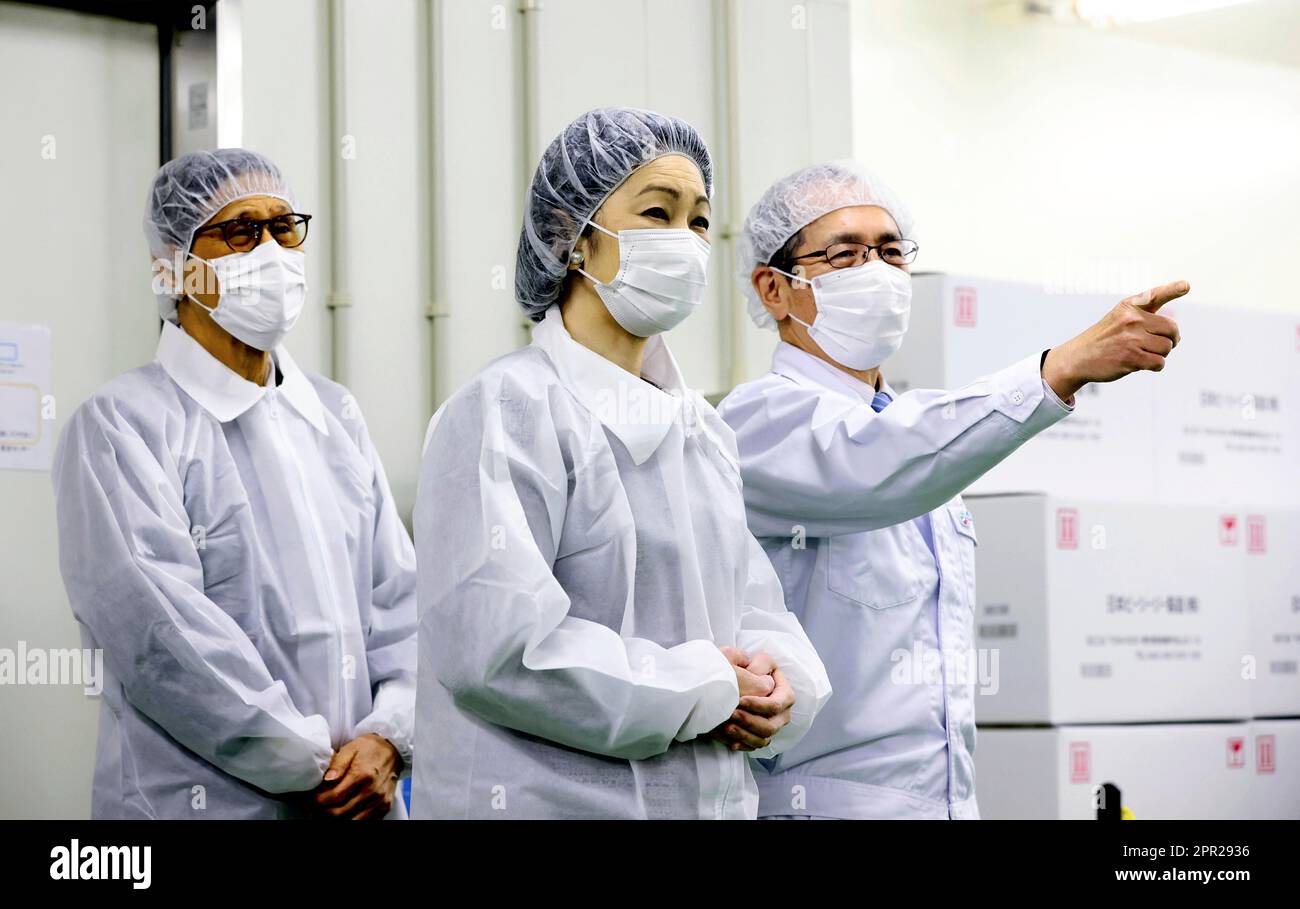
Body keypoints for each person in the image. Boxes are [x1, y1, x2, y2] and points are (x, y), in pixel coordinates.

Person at [717, 159, 1186, 819]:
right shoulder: (756, 423)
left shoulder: (912, 435)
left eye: (890, 252)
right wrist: (1060, 369)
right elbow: (876, 465)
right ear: (774, 288)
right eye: (845, 254)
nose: (876, 271)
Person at [411, 108, 831, 819]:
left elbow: (752, 604)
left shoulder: (701, 428)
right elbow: (500, 650)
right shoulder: (505, 411)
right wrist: (702, 686)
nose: (685, 242)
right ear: (568, 238)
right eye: (657, 213)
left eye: (699, 221)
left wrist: (780, 683)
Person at [51, 148, 417, 820]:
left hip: (366, 797)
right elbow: (163, 641)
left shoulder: (334, 416)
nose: (273, 250)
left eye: (285, 226)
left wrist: (388, 734)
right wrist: (324, 766)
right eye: (242, 232)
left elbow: (401, 606)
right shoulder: (122, 425)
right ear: (177, 268)